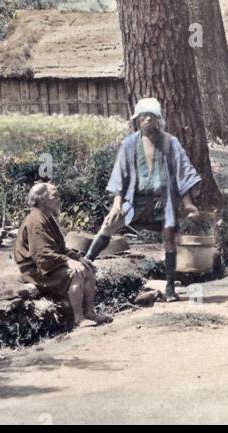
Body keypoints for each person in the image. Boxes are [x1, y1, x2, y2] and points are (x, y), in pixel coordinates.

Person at [83, 97, 202, 300]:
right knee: (108, 225)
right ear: (137, 120)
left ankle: (171, 286)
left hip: (163, 202)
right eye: (143, 116)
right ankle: (85, 262)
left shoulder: (170, 142)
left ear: (158, 119)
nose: (147, 119)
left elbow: (184, 173)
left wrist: (189, 204)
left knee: (170, 238)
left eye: (151, 116)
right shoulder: (129, 143)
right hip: (134, 200)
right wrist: (116, 204)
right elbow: (119, 175)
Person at [14, 181, 108, 328]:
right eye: (55, 195)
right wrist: (68, 262)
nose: (59, 198)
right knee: (76, 272)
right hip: (35, 271)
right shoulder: (36, 220)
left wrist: (78, 258)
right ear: (42, 199)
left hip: (48, 264)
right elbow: (42, 255)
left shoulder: (47, 218)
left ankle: (90, 313)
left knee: (87, 268)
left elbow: (61, 249)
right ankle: (79, 318)